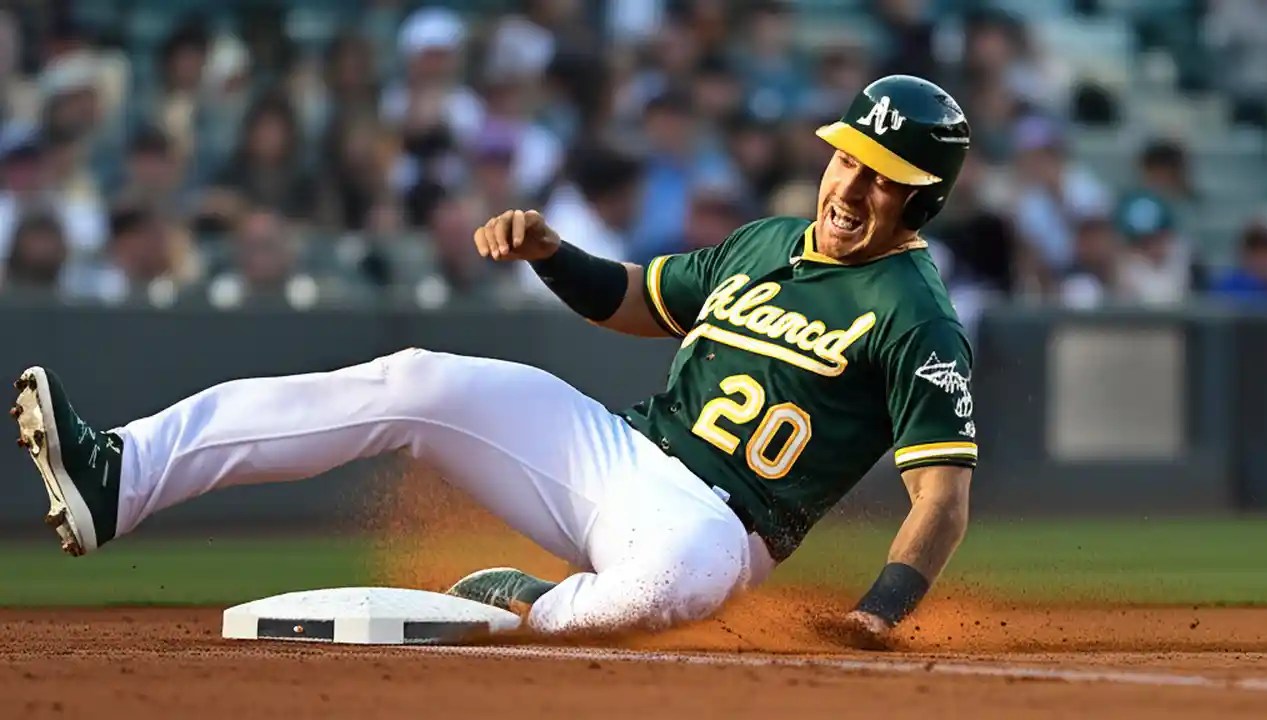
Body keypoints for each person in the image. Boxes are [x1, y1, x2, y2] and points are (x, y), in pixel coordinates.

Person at [12, 75, 975, 646]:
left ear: (920, 203)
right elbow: (641, 302)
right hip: (615, 456)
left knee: (670, 580)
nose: (850, 183)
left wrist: (884, 610)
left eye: (882, 177)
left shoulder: (915, 316)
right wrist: (555, 255)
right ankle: (123, 473)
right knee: (418, 379)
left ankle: (528, 606)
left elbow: (940, 498)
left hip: (722, 527)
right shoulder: (768, 242)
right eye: (847, 157)